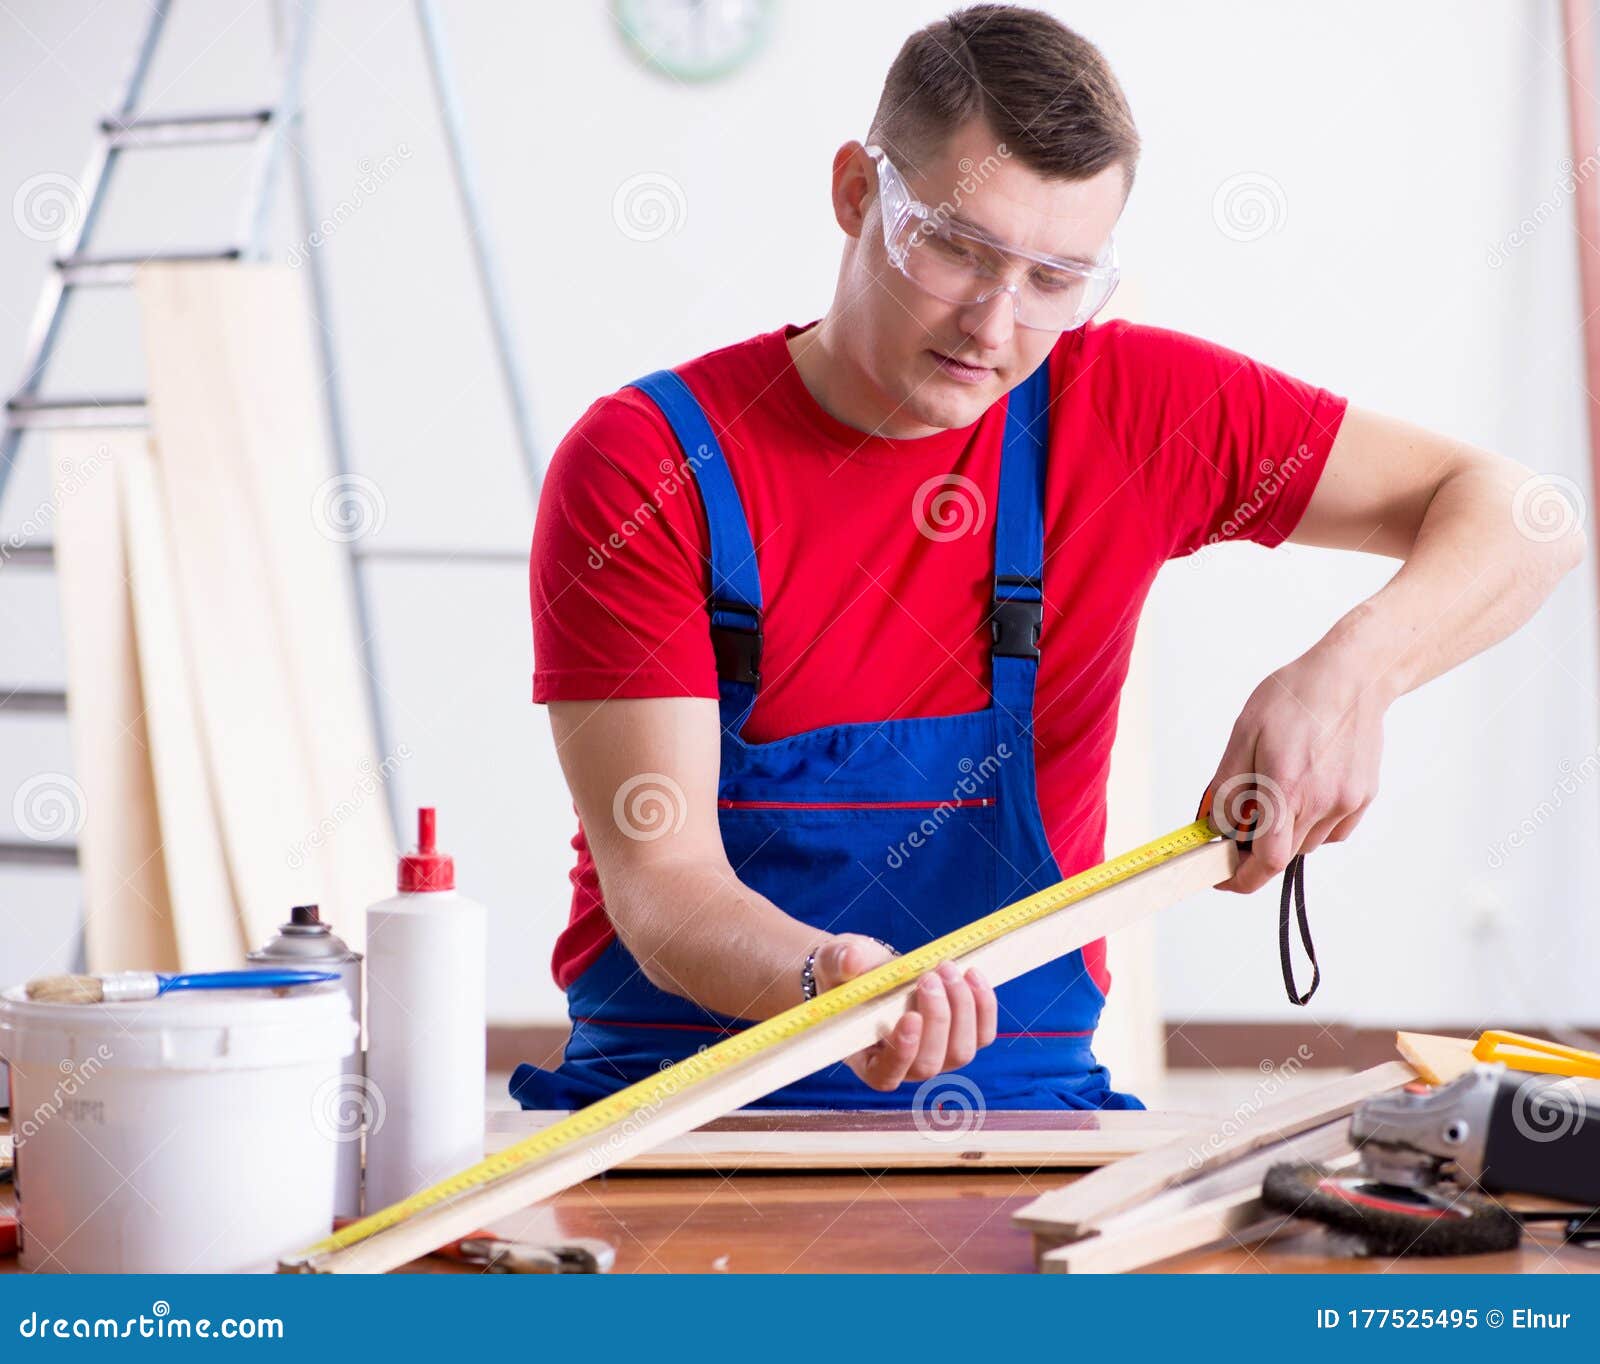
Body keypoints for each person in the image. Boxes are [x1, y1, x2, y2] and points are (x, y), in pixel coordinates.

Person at [513, 5, 1583, 1111]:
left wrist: (1353, 671)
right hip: (677, 1116)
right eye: (956, 249)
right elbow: (663, 882)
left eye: (1054, 278)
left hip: (1020, 1120)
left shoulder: (1122, 411)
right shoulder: (648, 463)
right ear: (854, 194)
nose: (994, 321)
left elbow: (1532, 517)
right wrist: (827, 981)